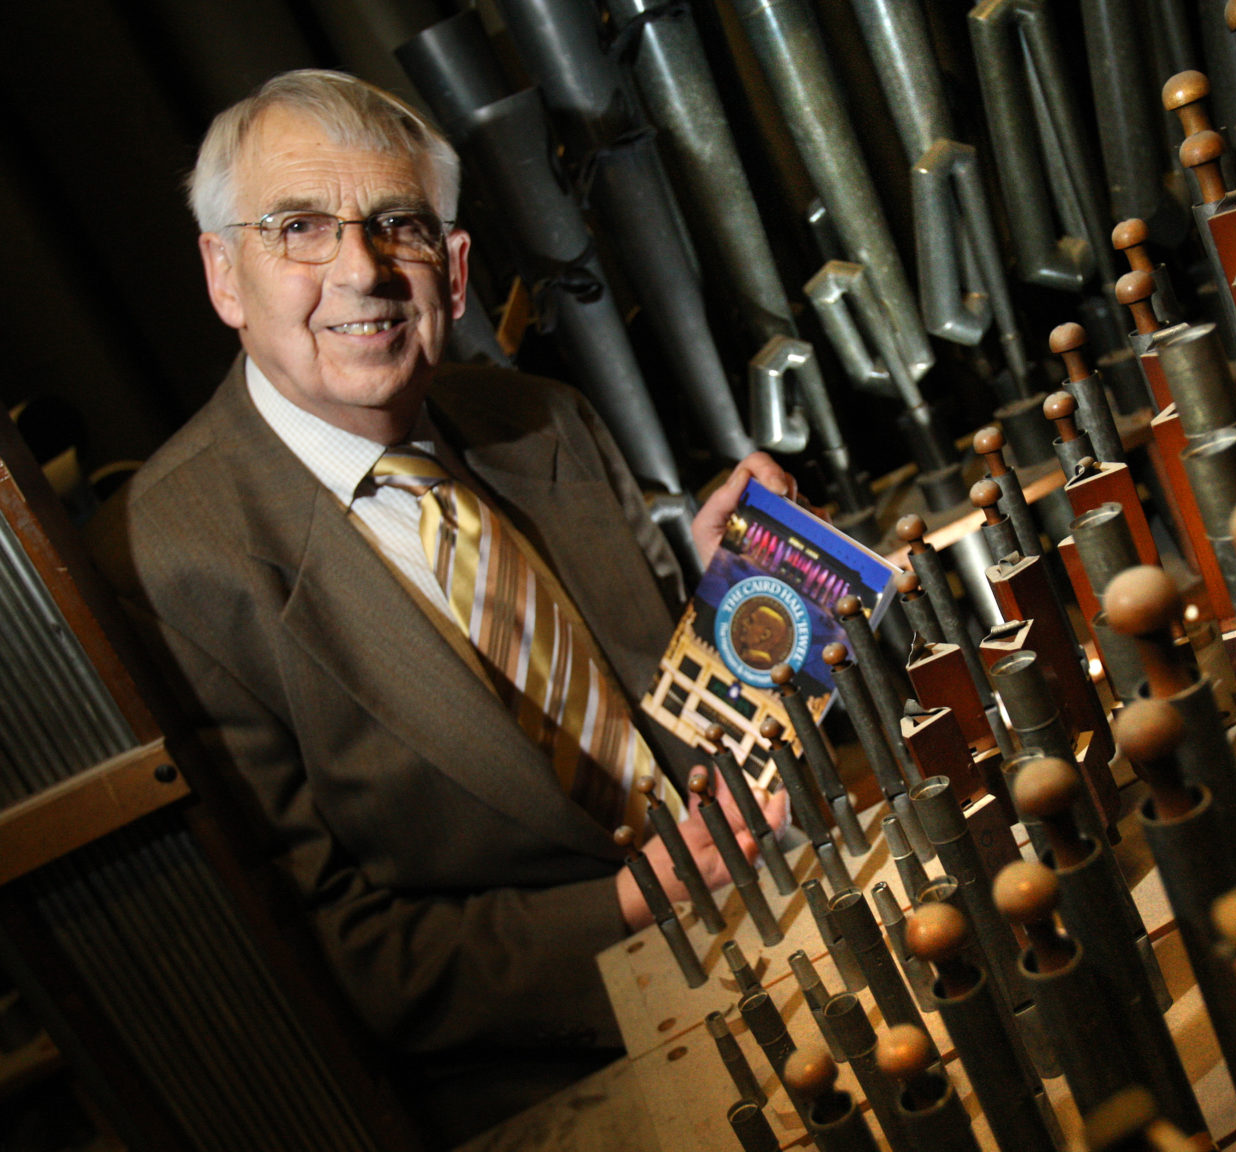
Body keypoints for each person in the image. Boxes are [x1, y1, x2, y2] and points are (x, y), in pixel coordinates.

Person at [90, 69, 790, 1138]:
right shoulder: (162, 565)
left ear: (454, 271)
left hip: (779, 922)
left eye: (398, 225)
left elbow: (650, 724)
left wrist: (727, 597)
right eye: (299, 228)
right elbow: (327, 955)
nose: (362, 270)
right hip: (554, 1082)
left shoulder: (539, 417)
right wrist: (629, 904)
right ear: (224, 275)